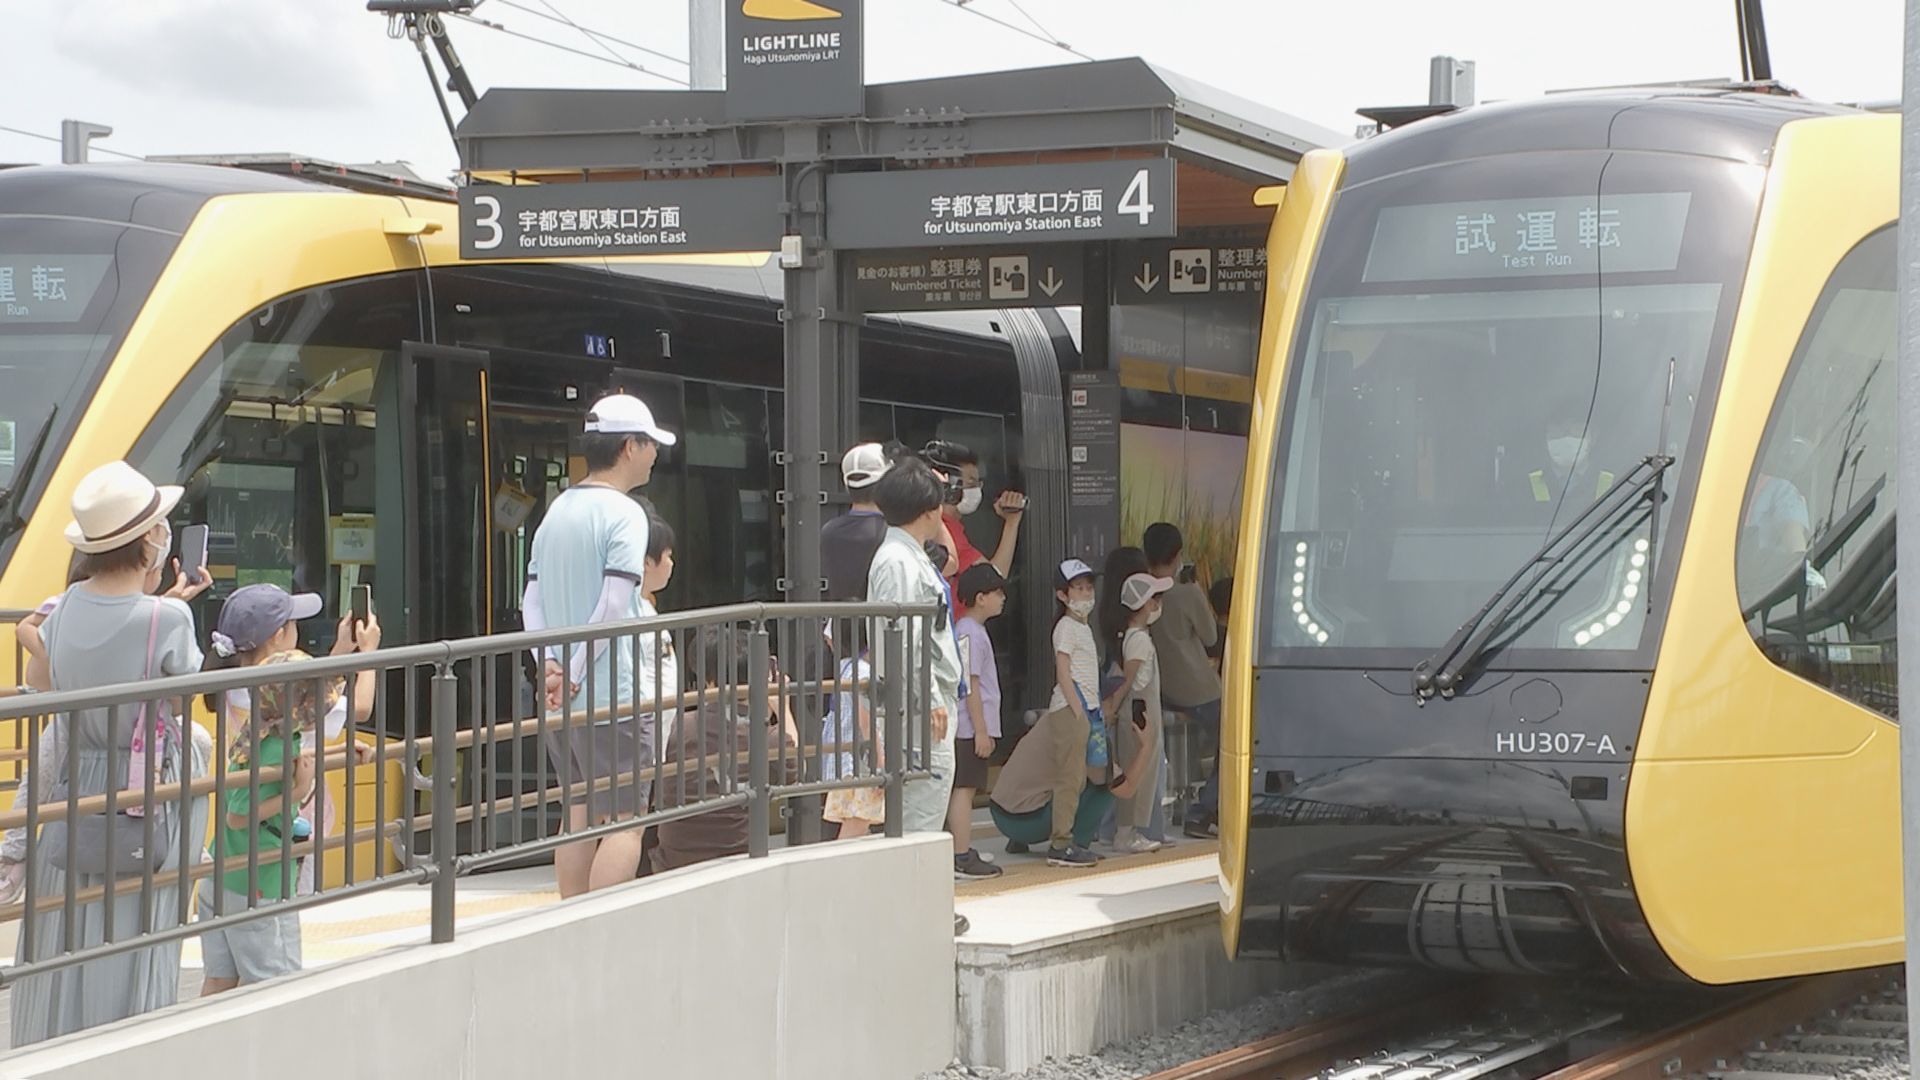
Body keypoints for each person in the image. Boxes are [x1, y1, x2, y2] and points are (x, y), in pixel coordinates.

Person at [12, 461, 212, 1047]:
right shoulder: (168, 616)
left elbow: (43, 680)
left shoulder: (66, 606)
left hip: (76, 778)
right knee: (136, 919)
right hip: (144, 785)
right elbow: (180, 701)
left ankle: (55, 1038)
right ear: (150, 540)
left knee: (67, 919)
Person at [520, 392, 677, 898]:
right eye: (651, 444)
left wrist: (551, 666)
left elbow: (532, 601)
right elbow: (614, 604)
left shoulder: (557, 509)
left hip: (561, 701)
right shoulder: (625, 514)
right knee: (625, 821)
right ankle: (602, 924)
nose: (656, 454)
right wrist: (579, 671)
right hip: (617, 693)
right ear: (629, 446)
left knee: (578, 814)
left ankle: (570, 919)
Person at [199, 583, 383, 899]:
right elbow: (361, 707)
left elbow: (308, 692)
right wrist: (368, 653)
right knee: (289, 901)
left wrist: (340, 650)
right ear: (277, 636)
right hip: (287, 813)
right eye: (293, 624)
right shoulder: (280, 690)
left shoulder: (237, 680)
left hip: (258, 807)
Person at [198, 649, 340, 995]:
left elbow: (288, 763)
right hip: (258, 881)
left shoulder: (260, 734)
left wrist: (341, 755)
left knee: (220, 979)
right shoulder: (274, 749)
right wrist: (298, 791)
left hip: (222, 876)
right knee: (274, 983)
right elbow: (236, 816)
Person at [865, 458, 962, 841]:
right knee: (920, 819)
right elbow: (904, 636)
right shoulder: (899, 562)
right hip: (920, 711)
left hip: (919, 706)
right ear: (930, 511)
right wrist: (932, 697)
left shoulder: (904, 555)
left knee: (922, 811)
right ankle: (914, 900)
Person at [989, 676, 1159, 863]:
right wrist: (1147, 747)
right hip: (1029, 823)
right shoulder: (1088, 732)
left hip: (1000, 815)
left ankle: (1017, 842)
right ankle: (1077, 844)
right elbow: (1126, 789)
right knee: (1103, 787)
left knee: (1055, 775)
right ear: (1105, 704)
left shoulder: (1056, 715)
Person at [1143, 523, 1224, 838]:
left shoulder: (1142, 591)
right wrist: (1199, 592)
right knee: (1236, 746)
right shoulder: (1187, 593)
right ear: (1178, 555)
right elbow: (1210, 636)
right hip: (1200, 691)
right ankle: (1202, 812)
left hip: (1162, 691)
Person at [948, 564, 1008, 880]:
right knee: (965, 789)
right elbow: (969, 683)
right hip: (968, 727)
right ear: (980, 597)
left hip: (969, 725)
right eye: (997, 593)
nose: (1002, 598)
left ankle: (960, 849)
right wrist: (981, 731)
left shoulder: (971, 630)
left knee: (964, 788)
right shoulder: (969, 631)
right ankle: (961, 854)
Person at [922, 441, 1026, 620]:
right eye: (971, 483)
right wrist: (1012, 522)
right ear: (951, 485)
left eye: (978, 483)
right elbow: (993, 576)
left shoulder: (938, 525)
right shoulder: (947, 531)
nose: (976, 489)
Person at [1108, 572, 1173, 855]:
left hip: (1139, 711)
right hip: (1139, 714)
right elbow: (1128, 680)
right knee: (1136, 773)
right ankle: (1126, 834)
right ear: (1143, 605)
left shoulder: (1137, 637)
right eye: (1154, 599)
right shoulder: (1139, 641)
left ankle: (1131, 831)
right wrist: (1113, 707)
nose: (1158, 605)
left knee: (1141, 773)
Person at [1042, 558, 1101, 868]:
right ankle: (1061, 843)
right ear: (1063, 595)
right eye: (1078, 588)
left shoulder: (1081, 626)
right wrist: (1078, 710)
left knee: (1077, 777)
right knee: (1070, 777)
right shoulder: (1066, 626)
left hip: (1082, 709)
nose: (1085, 594)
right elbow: (1062, 670)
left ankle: (1069, 839)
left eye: (1089, 588)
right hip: (1070, 709)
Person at [821, 623, 884, 840]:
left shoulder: (844, 667)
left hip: (840, 761)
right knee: (857, 826)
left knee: (857, 829)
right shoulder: (863, 672)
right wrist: (880, 765)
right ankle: (834, 874)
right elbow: (867, 723)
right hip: (857, 764)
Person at [821, 443, 892, 602]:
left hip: (840, 624)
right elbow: (950, 564)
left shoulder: (829, 531)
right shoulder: (893, 532)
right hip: (882, 625)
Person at [1527, 407, 1615, 506]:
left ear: (1593, 437)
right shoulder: (1525, 486)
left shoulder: (1617, 483)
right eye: (1558, 432)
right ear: (1545, 439)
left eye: (1576, 432)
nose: (1567, 439)